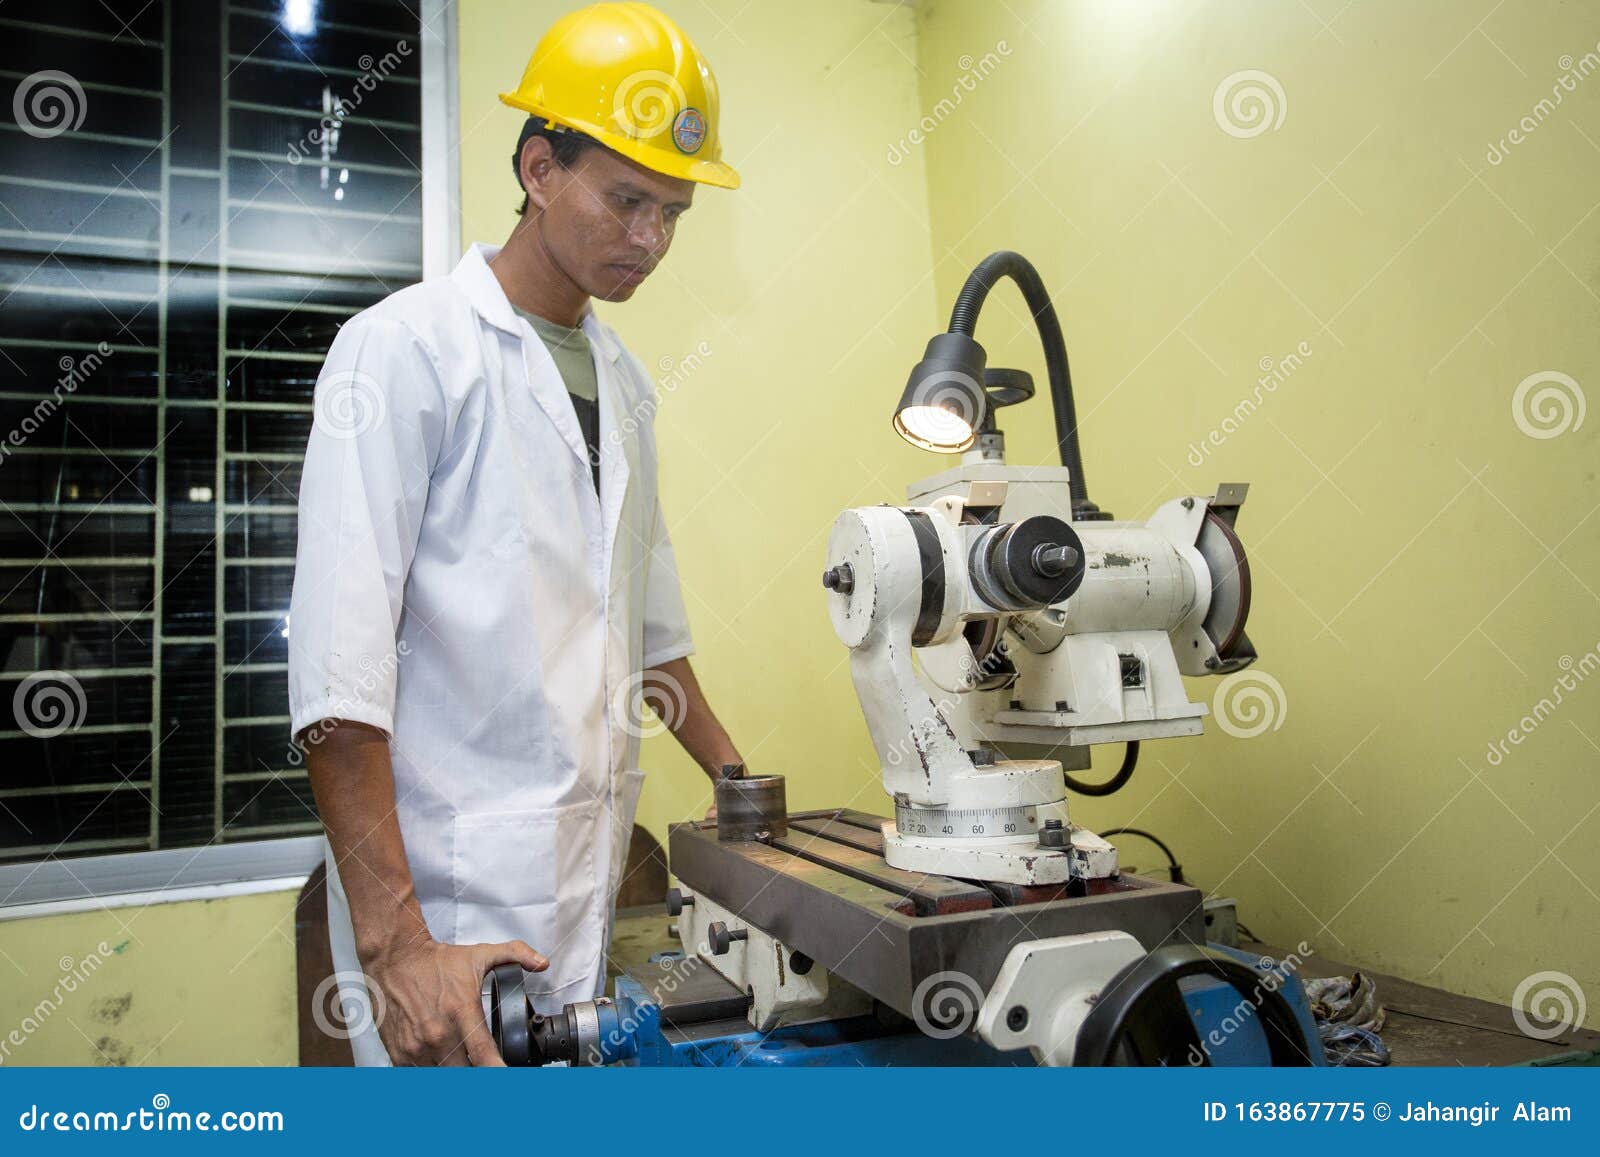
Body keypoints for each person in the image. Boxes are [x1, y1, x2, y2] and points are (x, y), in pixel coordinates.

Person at [287, 2, 743, 1066]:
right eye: (627, 200)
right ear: (539, 168)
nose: (650, 240)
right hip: (441, 900)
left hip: (577, 880)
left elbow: (650, 627)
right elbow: (338, 679)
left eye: (673, 212)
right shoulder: (402, 351)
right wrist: (397, 943)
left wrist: (738, 786)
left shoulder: (623, 385)